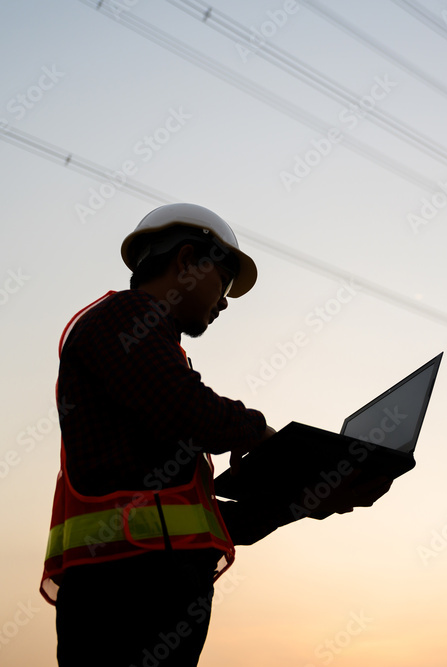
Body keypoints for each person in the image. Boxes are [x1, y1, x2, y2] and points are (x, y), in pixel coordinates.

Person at [39, 203, 383, 667]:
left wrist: (308, 498)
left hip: (138, 595)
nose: (224, 301)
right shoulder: (124, 317)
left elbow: (210, 527)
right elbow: (186, 410)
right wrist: (260, 432)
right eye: (223, 282)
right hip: (123, 600)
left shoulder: (151, 351)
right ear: (185, 261)